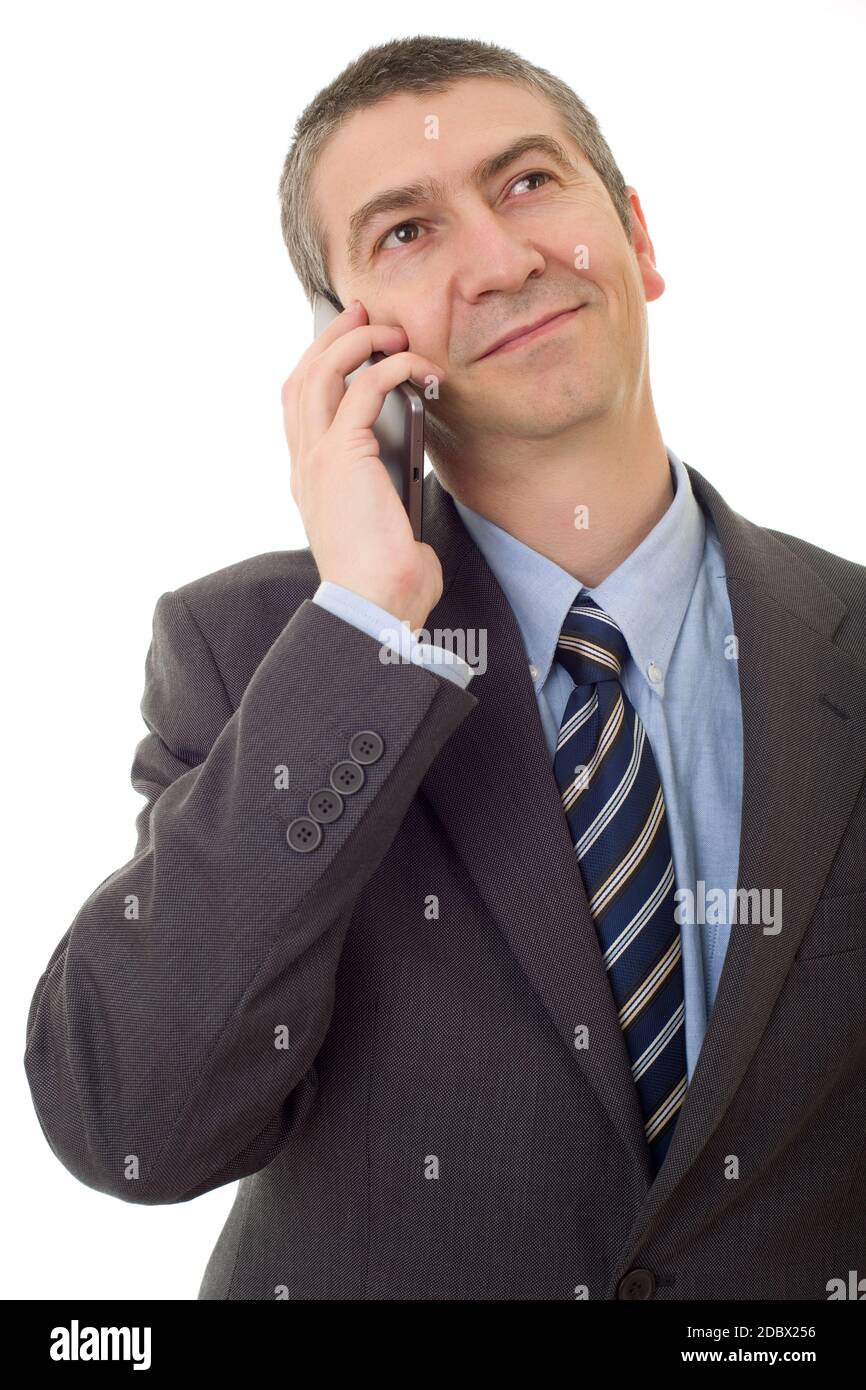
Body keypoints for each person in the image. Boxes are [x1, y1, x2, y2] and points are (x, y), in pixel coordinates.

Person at [24, 34, 866, 1301]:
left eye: (527, 182)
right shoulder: (252, 652)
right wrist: (367, 621)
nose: (498, 259)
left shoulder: (843, 637)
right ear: (346, 340)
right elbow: (130, 1121)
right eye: (405, 234)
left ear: (633, 237)